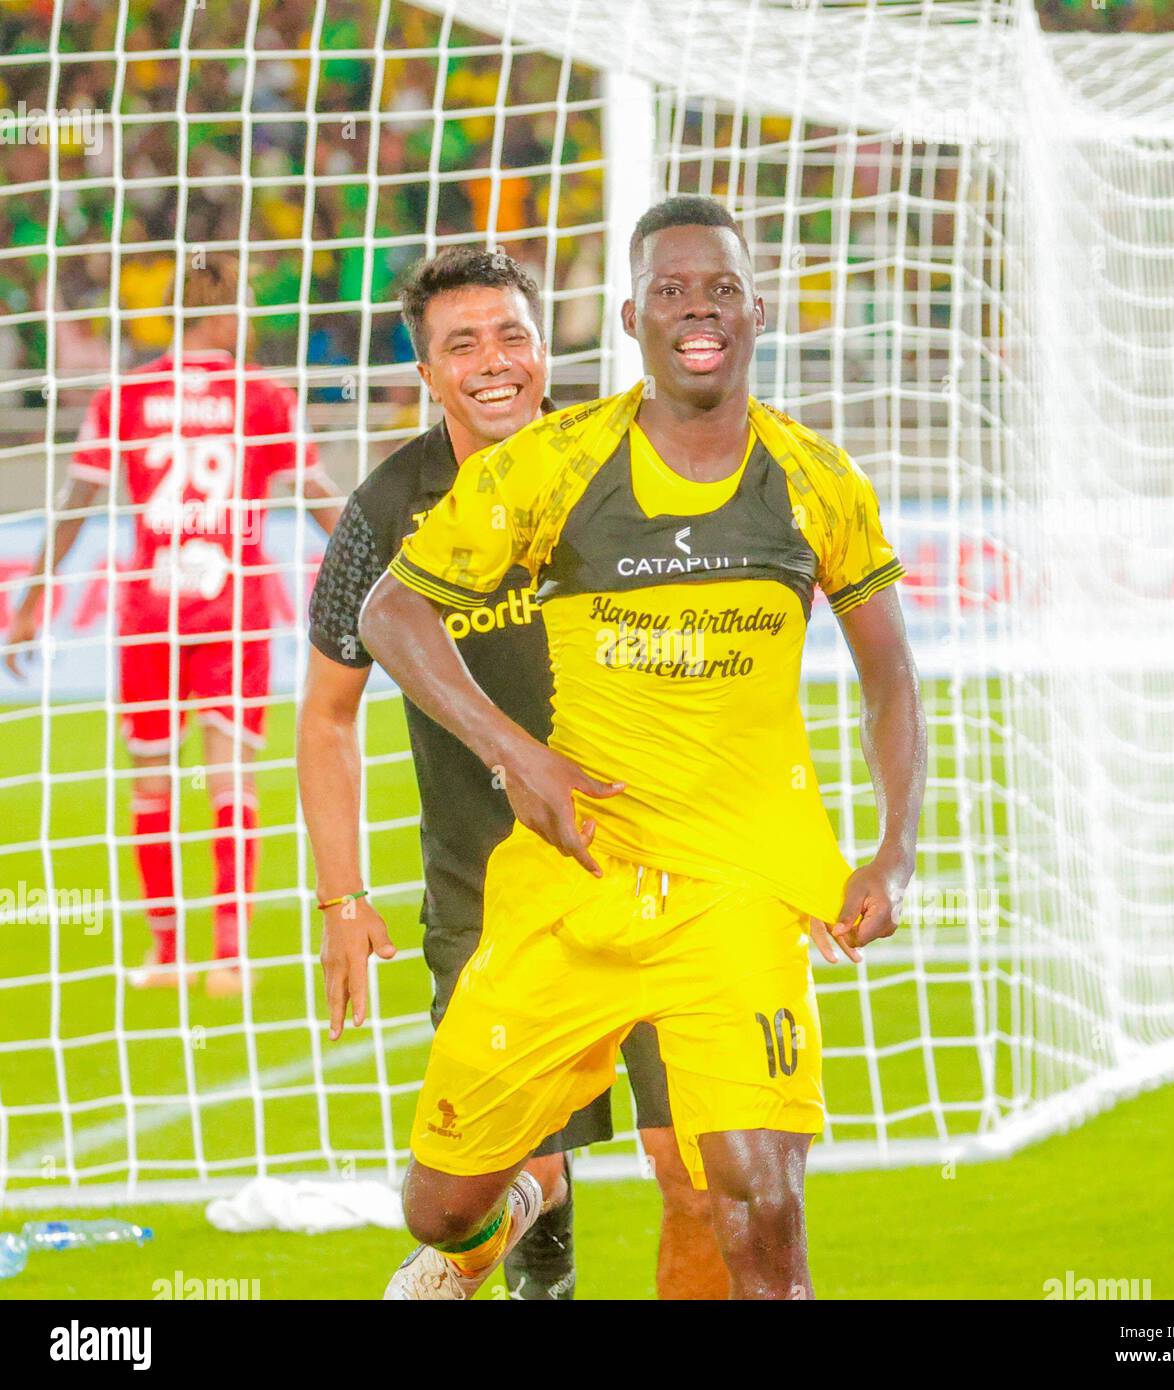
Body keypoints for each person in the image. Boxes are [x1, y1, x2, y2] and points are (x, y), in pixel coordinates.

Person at [359, 197, 927, 1300]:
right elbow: (392, 613)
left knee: (755, 1199)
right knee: (439, 1201)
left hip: (736, 897)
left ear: (757, 308)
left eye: (718, 288)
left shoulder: (819, 481)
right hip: (573, 890)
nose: (696, 309)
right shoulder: (555, 464)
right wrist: (517, 754)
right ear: (630, 315)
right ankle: (481, 1243)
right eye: (670, 291)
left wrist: (893, 849)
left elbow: (890, 674)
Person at [299, 247, 728, 1300]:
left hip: (659, 873)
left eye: (513, 336)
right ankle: (496, 1241)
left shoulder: (633, 466)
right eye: (463, 344)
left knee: (695, 1167)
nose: (494, 362)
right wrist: (343, 897)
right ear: (426, 375)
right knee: (517, 1166)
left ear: (545, 351)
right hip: (487, 890)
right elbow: (326, 713)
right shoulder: (386, 511)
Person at [4, 253, 341, 996]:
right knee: (230, 771)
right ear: (224, 313)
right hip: (231, 605)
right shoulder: (263, 397)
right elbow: (323, 504)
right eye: (245, 307)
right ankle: (228, 955)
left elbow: (74, 507)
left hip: (150, 609)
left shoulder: (127, 394)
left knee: (150, 776)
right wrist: (384, 576)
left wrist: (31, 604)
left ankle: (164, 952)